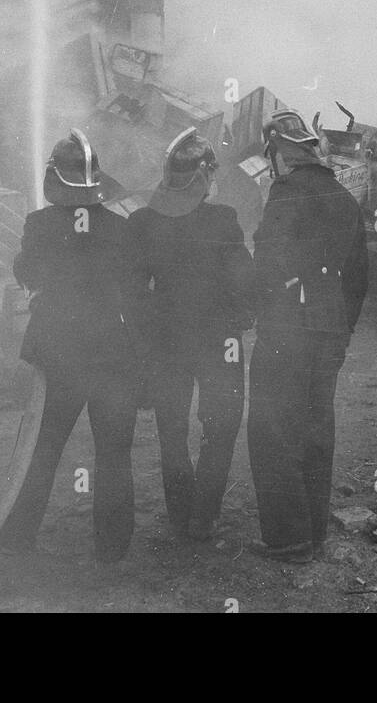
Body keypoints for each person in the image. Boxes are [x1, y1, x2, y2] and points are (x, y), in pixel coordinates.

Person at [0, 130, 141, 563]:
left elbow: (26, 271)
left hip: (58, 356)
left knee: (40, 450)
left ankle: (17, 537)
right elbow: (133, 291)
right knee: (115, 452)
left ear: (55, 180)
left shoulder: (38, 225)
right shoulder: (121, 228)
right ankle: (112, 548)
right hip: (112, 356)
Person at [247, 110, 367, 562]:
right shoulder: (343, 196)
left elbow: (268, 265)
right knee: (317, 427)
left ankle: (288, 538)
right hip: (330, 330)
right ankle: (315, 530)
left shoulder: (285, 193)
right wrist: (343, 324)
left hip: (287, 331)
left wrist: (259, 309)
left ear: (280, 153)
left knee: (273, 428)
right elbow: (358, 275)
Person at [129, 127, 254, 542]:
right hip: (220, 343)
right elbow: (243, 283)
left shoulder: (142, 222)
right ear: (205, 178)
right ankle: (204, 516)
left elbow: (132, 291)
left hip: (166, 343)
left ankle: (180, 516)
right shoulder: (223, 219)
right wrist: (241, 317)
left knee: (171, 430)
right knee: (220, 428)